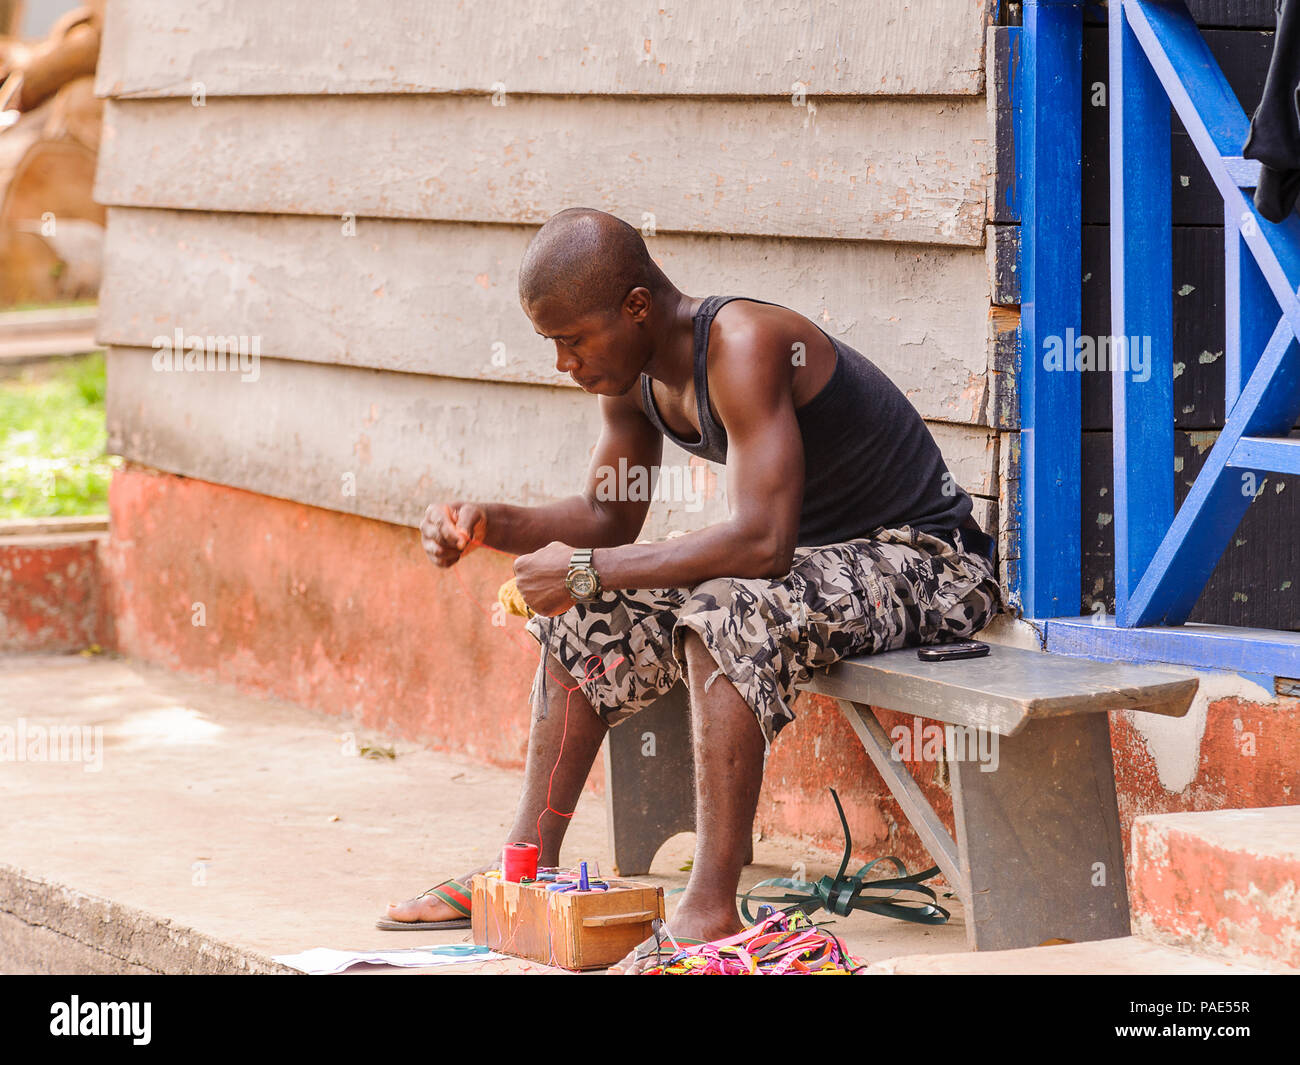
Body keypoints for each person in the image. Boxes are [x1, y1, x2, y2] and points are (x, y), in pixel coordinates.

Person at [381, 207, 1003, 973]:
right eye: (553, 344)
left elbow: (763, 543)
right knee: (592, 615)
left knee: (724, 603)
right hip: (823, 563)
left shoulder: (746, 344)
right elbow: (612, 512)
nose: (562, 362)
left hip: (930, 564)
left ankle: (709, 907)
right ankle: (523, 867)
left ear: (636, 307)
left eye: (572, 340)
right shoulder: (632, 377)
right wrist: (490, 521)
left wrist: (583, 569)